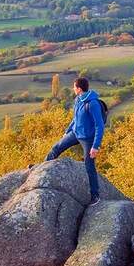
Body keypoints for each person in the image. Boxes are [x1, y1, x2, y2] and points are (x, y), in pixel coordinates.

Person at [45, 77, 105, 205]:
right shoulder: (78, 99)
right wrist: (67, 132)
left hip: (88, 139)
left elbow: (99, 125)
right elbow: (75, 118)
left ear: (79, 88)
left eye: (74, 87)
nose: (73, 89)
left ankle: (95, 196)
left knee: (89, 166)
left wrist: (95, 146)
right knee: (56, 148)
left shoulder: (92, 103)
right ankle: (41, 168)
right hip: (75, 133)